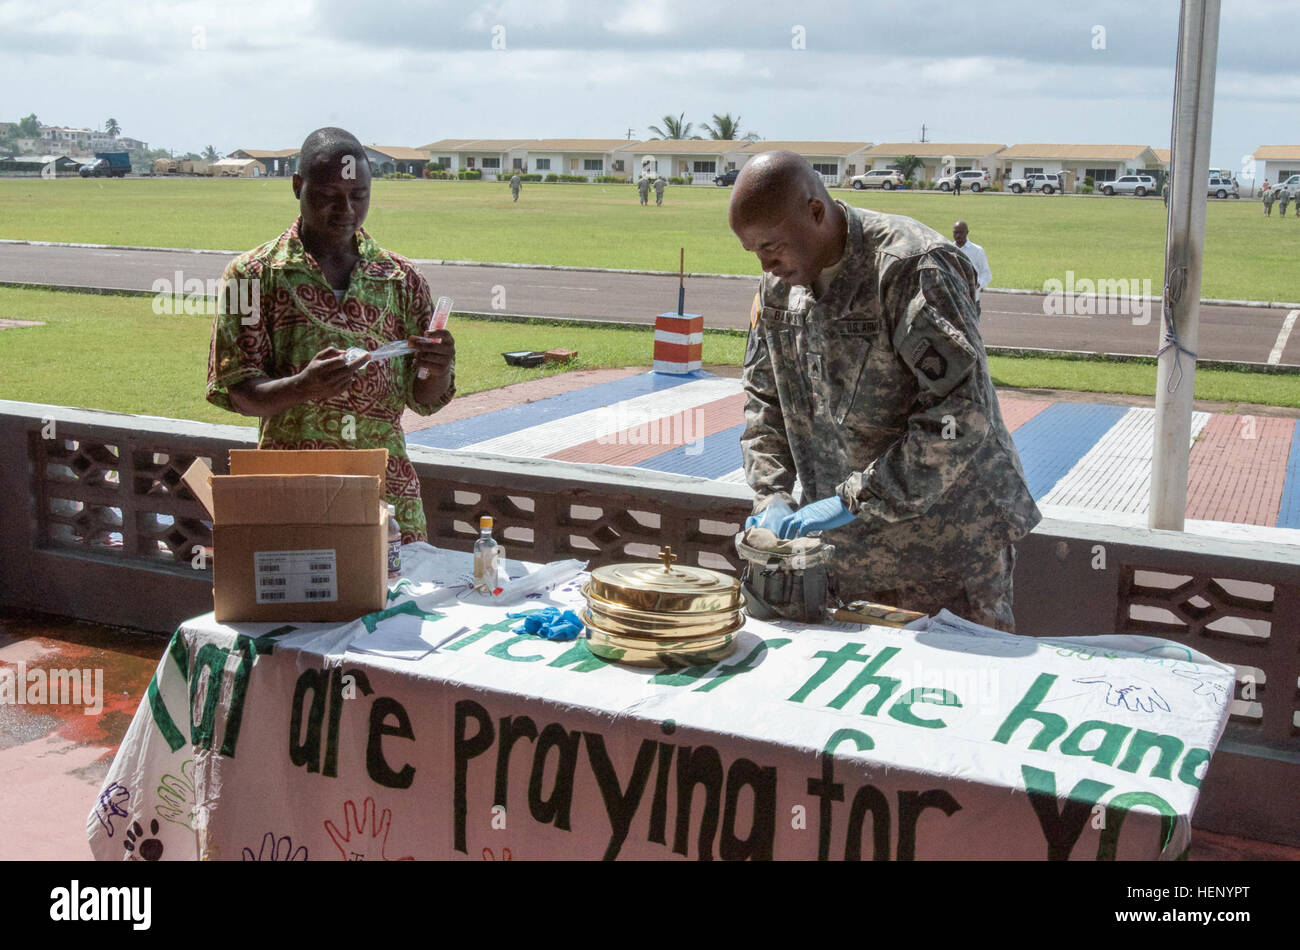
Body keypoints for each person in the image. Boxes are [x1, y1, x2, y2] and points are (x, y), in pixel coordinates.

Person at [731, 151, 1040, 631]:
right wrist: (770, 493)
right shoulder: (778, 290)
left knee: (965, 691)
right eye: (754, 251)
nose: (767, 264)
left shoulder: (910, 267)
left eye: (772, 246)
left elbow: (961, 416)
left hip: (949, 550)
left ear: (815, 212)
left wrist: (856, 499)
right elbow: (764, 401)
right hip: (850, 558)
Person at [206, 127, 456, 543]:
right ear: (297, 187)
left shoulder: (401, 279)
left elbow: (424, 400)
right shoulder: (251, 277)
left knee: (399, 605)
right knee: (302, 604)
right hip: (293, 494)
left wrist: (437, 369)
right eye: (328, 196)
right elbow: (240, 394)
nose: (346, 210)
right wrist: (303, 386)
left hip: (388, 501)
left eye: (359, 196)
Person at [952, 220, 991, 323]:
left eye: (961, 232)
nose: (958, 235)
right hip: (953, 302)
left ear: (967, 232)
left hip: (971, 303)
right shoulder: (948, 250)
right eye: (956, 232)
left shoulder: (977, 251)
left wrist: (977, 284)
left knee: (971, 335)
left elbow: (986, 274)